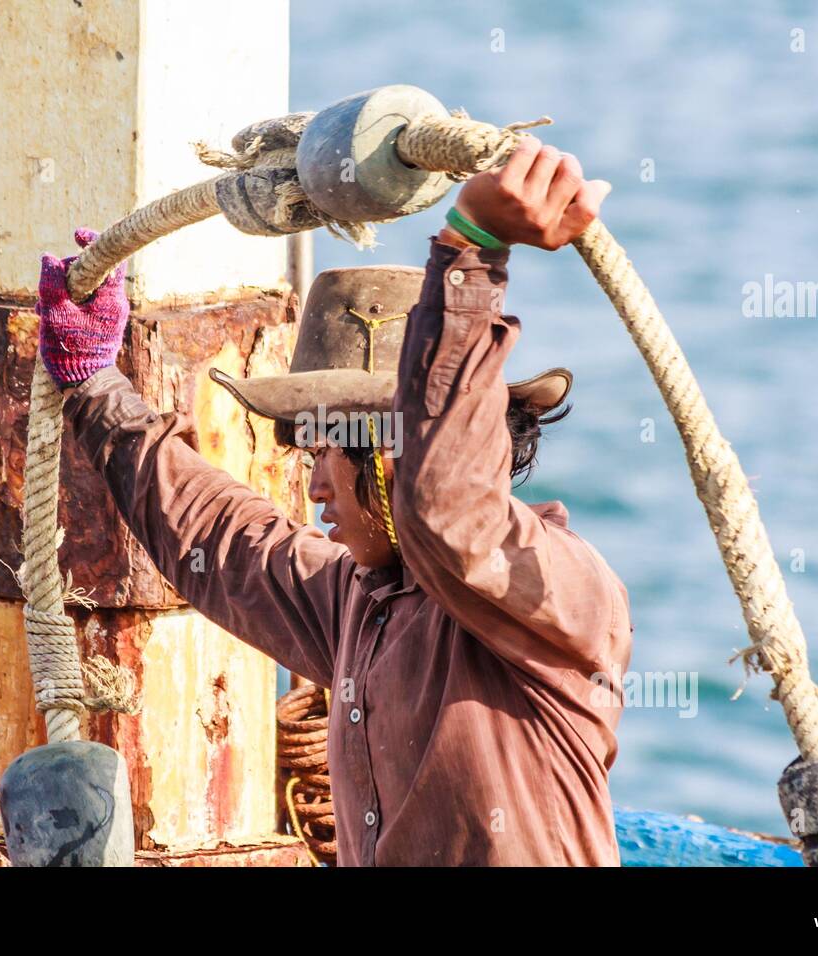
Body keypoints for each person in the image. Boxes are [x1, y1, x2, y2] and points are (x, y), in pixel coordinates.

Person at [37, 137, 632, 866]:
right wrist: (95, 385)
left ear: (393, 457)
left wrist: (473, 251)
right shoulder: (360, 601)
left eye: (325, 454)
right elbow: (222, 540)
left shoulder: (550, 592)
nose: (313, 485)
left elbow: (450, 504)